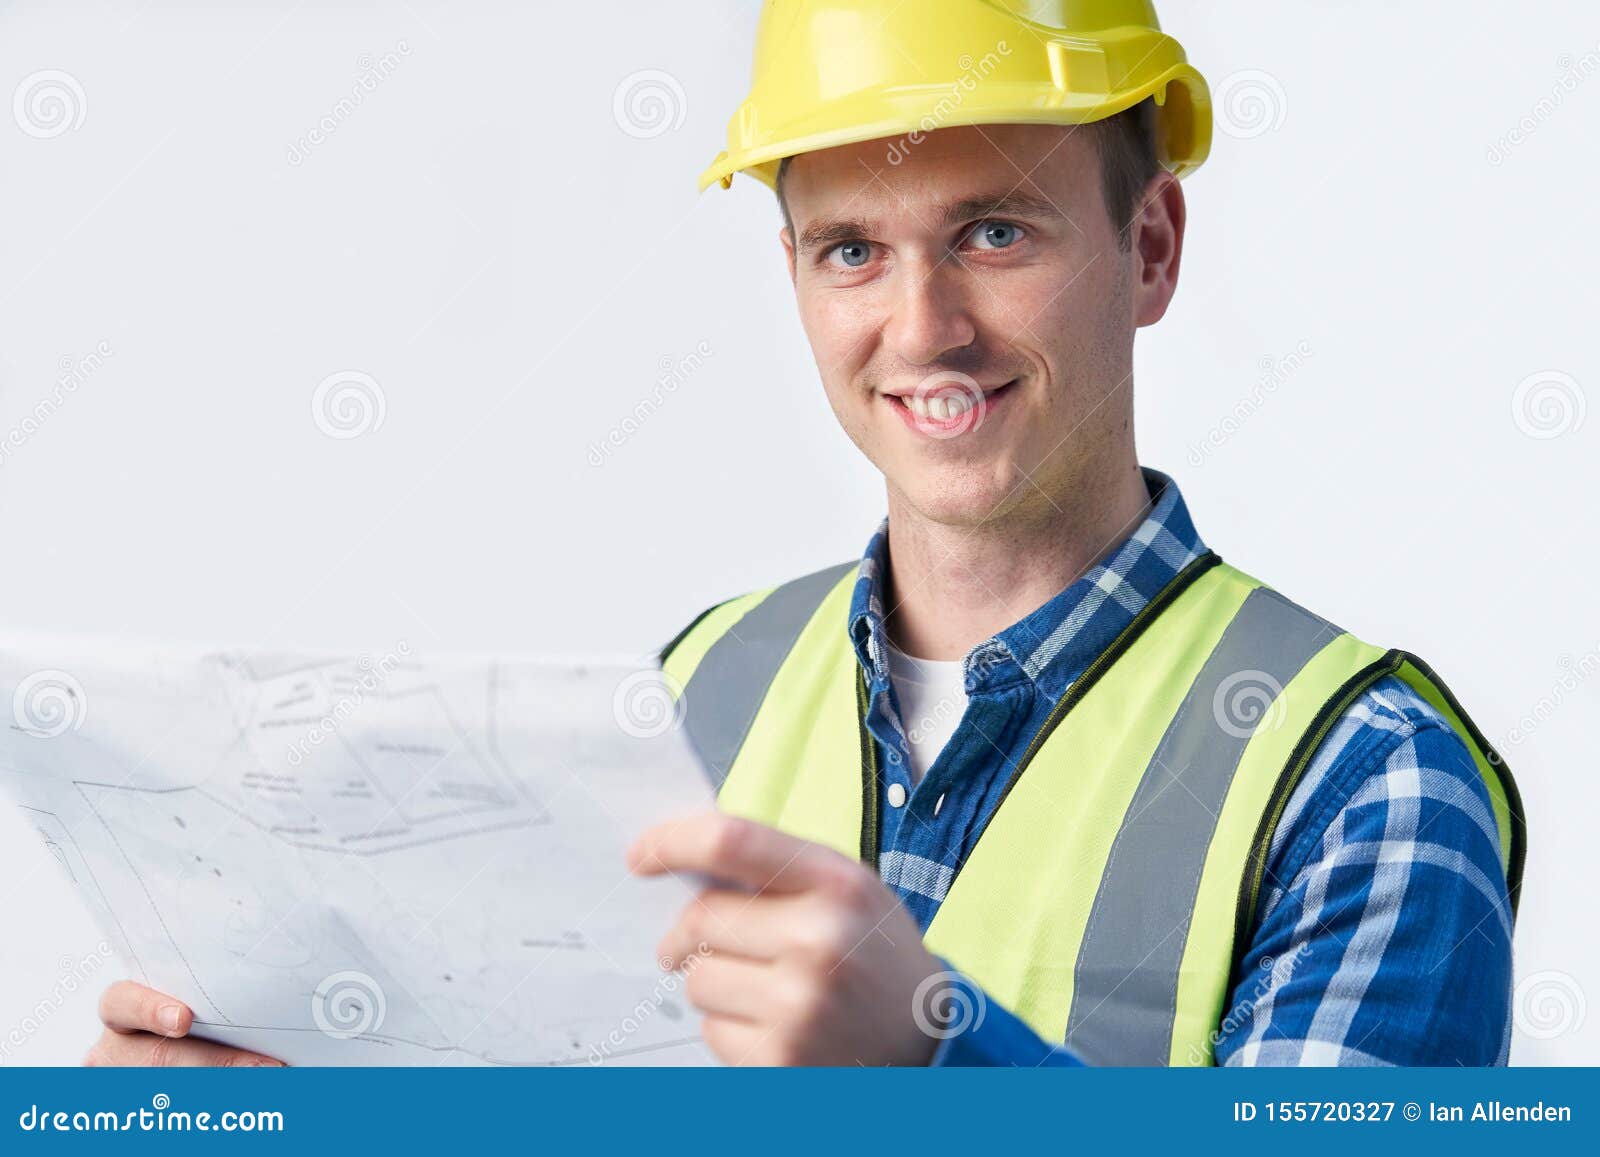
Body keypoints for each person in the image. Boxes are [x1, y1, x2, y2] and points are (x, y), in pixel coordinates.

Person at [89, 0, 1523, 1068]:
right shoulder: (694, 692)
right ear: (793, 271)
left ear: (1148, 249)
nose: (923, 328)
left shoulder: (1362, 779)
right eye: (853, 250)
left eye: (996, 233)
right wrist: (273, 1099)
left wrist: (933, 1061)